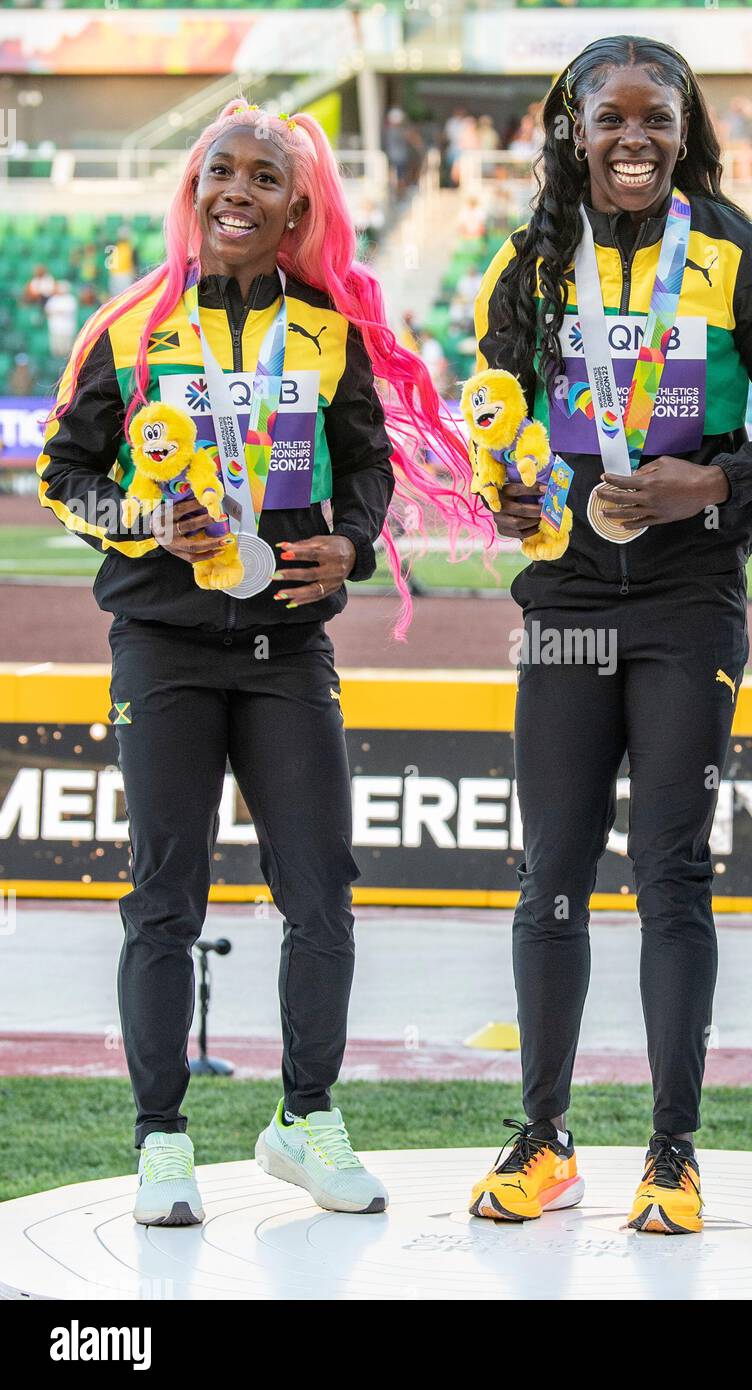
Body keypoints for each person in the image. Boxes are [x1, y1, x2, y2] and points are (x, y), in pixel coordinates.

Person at [36, 100, 485, 1229]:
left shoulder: (329, 328)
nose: (236, 189)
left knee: (322, 891)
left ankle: (305, 1117)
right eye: (218, 170)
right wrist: (145, 520)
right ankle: (161, 1141)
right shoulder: (131, 327)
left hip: (288, 649)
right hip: (165, 647)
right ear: (194, 190)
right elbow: (63, 475)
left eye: (263, 177)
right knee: (163, 899)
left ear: (297, 207)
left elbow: (368, 468)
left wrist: (349, 544)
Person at [467, 35, 752, 1235]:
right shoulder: (533, 262)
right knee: (549, 870)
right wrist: (507, 493)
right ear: (574, 130)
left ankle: (672, 1152)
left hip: (685, 599)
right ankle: (543, 1136)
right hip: (563, 597)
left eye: (656, 118)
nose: (634, 139)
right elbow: (497, 428)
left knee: (671, 873)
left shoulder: (730, 251)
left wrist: (704, 489)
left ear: (685, 126)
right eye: (609, 118)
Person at [44, 279, 78, 360]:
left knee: (67, 351)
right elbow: (47, 311)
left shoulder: (70, 299)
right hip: (55, 328)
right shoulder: (53, 299)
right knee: (56, 350)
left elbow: (69, 311)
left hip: (67, 329)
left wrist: (57, 312)